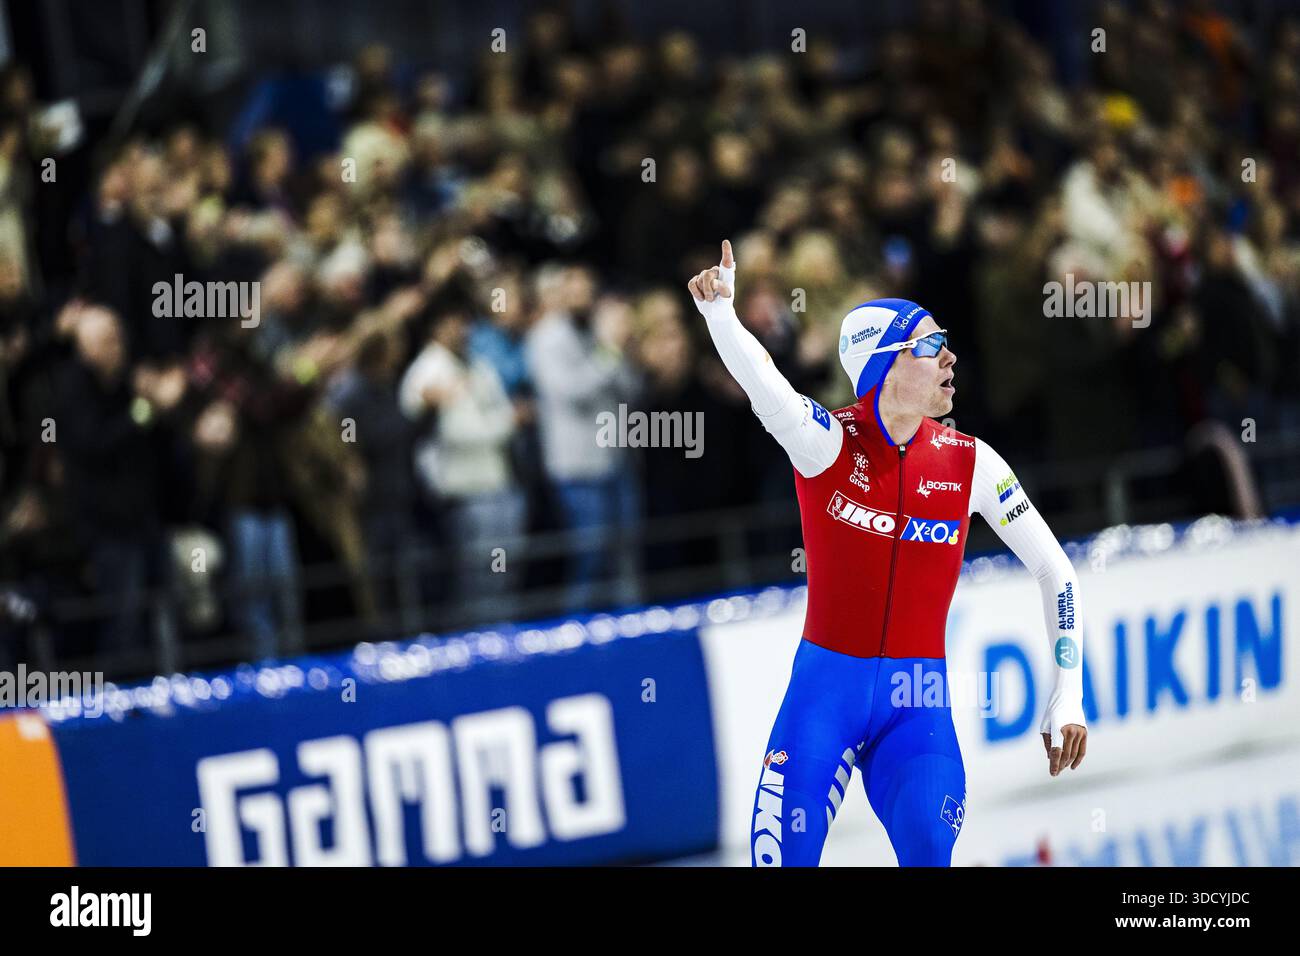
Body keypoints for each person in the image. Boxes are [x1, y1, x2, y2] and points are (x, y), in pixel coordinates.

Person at [688, 240, 1088, 867]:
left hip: (916, 703)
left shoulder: (970, 462)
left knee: (929, 847)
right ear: (885, 365)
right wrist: (721, 317)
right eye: (931, 345)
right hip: (825, 696)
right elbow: (764, 382)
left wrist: (1068, 694)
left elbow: (1054, 570)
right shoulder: (825, 445)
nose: (950, 357)